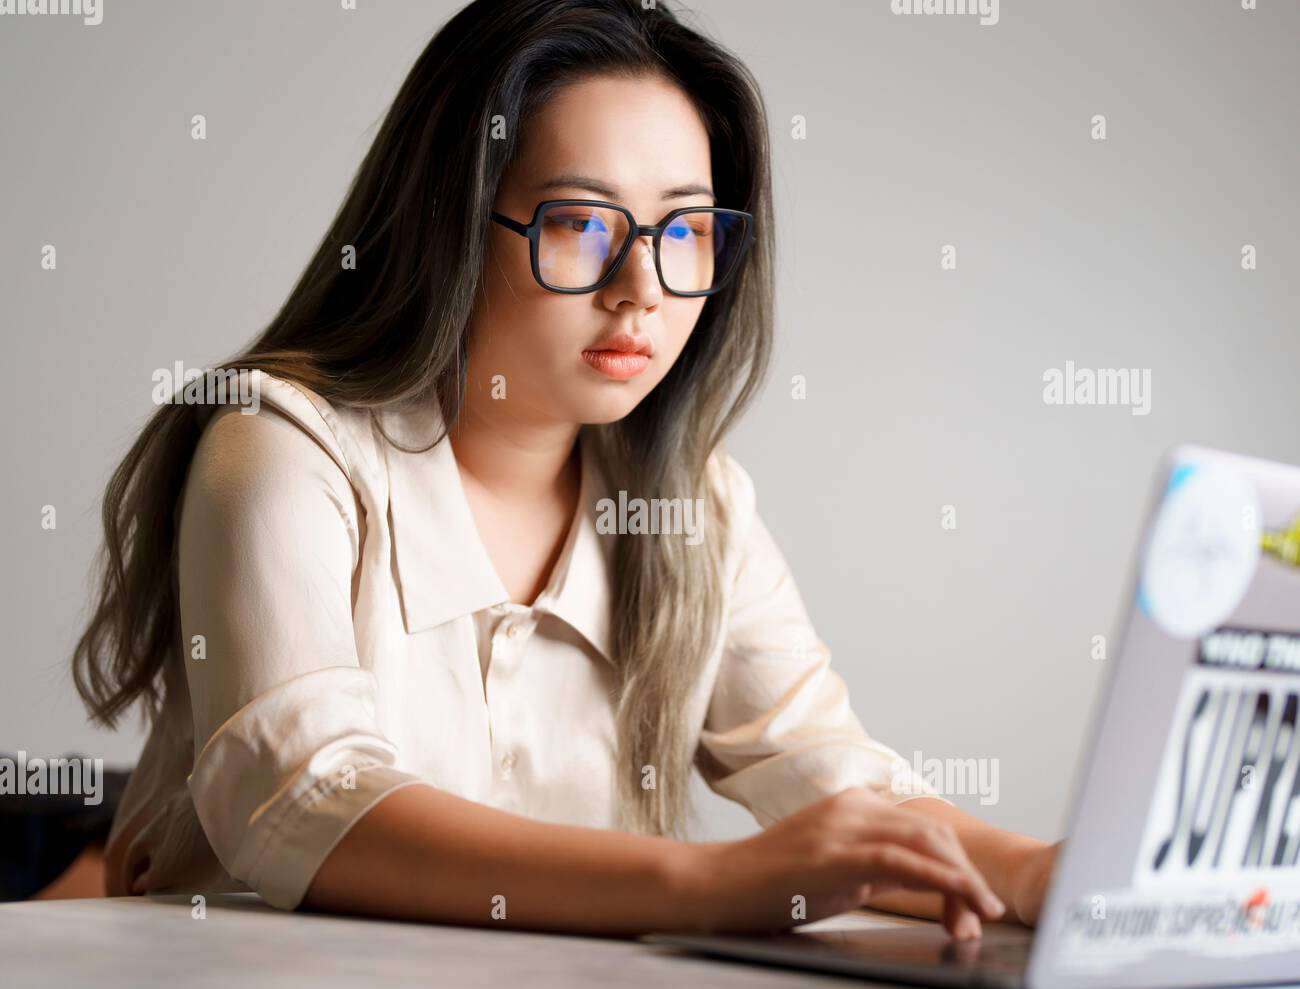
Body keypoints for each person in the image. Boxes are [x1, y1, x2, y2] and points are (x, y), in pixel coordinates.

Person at [72, 0, 1057, 939]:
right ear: (448, 221)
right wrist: (710, 882)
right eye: (580, 223)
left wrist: (1028, 875)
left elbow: (826, 770)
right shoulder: (284, 446)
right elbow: (302, 797)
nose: (643, 290)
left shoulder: (694, 503)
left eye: (685, 231)